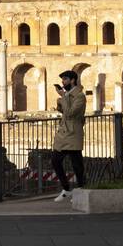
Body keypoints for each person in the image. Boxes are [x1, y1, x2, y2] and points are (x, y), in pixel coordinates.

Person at [51, 70, 87, 201]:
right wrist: (60, 102)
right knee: (55, 160)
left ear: (72, 80)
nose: (63, 82)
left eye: (65, 79)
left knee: (76, 162)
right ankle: (66, 188)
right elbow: (65, 112)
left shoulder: (80, 96)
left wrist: (63, 97)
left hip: (73, 131)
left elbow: (71, 113)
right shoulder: (67, 95)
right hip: (64, 132)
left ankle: (80, 189)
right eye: (62, 80)